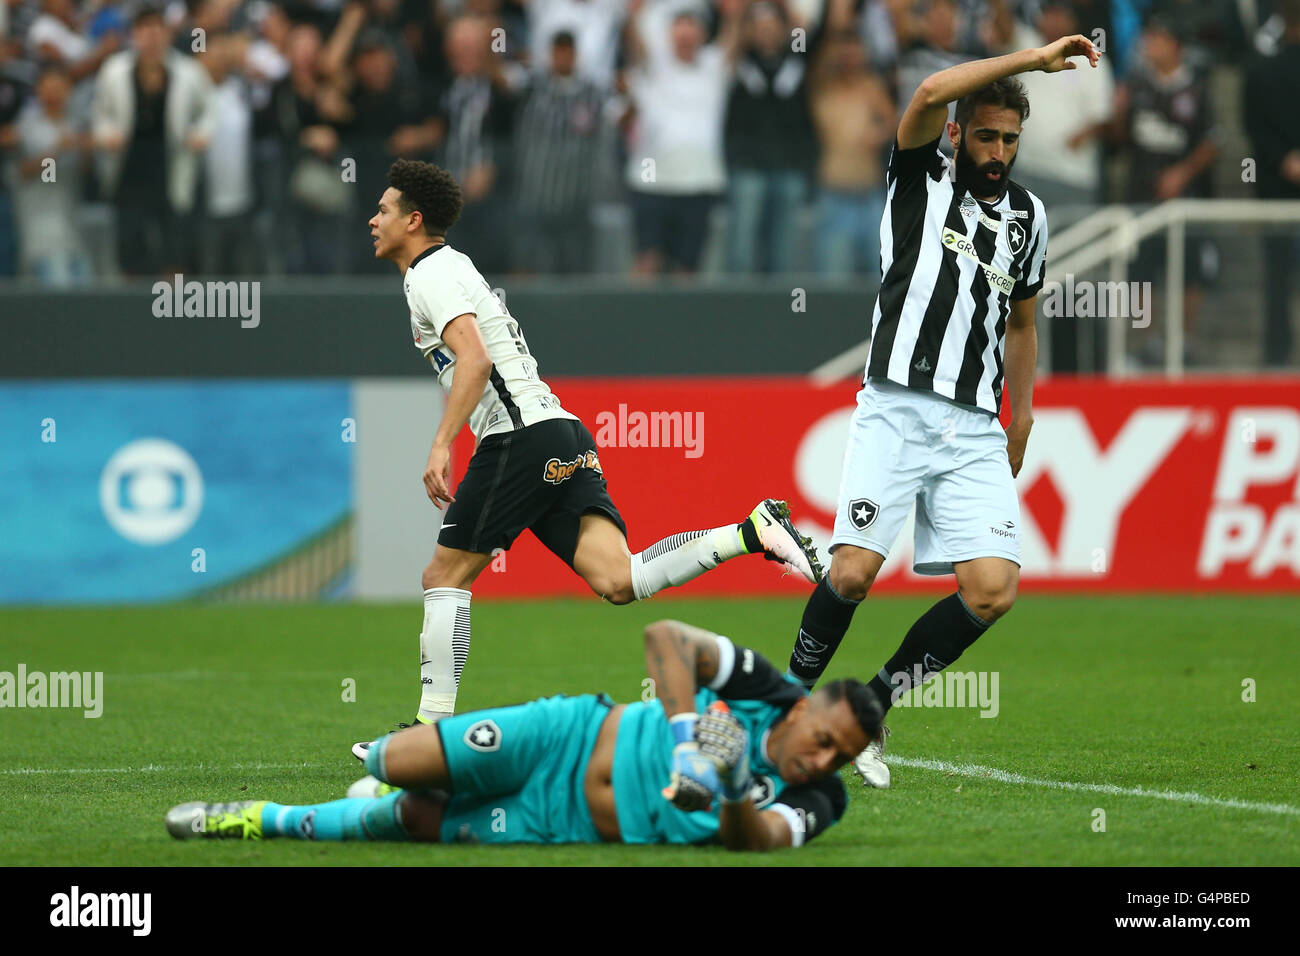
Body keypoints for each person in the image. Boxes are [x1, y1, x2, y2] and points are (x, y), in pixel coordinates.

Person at [361, 158, 824, 737]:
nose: (372, 219)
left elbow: (475, 361)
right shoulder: (446, 269)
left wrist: (439, 446)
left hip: (519, 437)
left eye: (383, 209)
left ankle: (427, 734)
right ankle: (751, 532)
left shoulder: (432, 272)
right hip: (559, 431)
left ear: (414, 220)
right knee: (618, 580)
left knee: (444, 577)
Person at [782, 33, 1100, 788]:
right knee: (854, 573)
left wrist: (1021, 413)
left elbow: (1022, 323)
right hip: (894, 409)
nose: (998, 150)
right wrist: (1028, 61)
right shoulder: (919, 177)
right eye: (986, 134)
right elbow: (926, 95)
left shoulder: (1029, 216)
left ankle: (872, 705)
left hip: (973, 429)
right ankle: (787, 702)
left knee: (994, 590)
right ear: (959, 133)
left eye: (1011, 140)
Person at [165, 619, 882, 849]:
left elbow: (752, 842)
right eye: (825, 739)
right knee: (396, 755)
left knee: (414, 821)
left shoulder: (825, 799)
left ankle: (255, 819)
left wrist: (729, 789)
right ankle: (401, 768)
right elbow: (666, 636)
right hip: (566, 735)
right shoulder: (767, 691)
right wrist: (691, 742)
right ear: (804, 708)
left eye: (841, 759)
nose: (823, 761)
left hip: (564, 818)